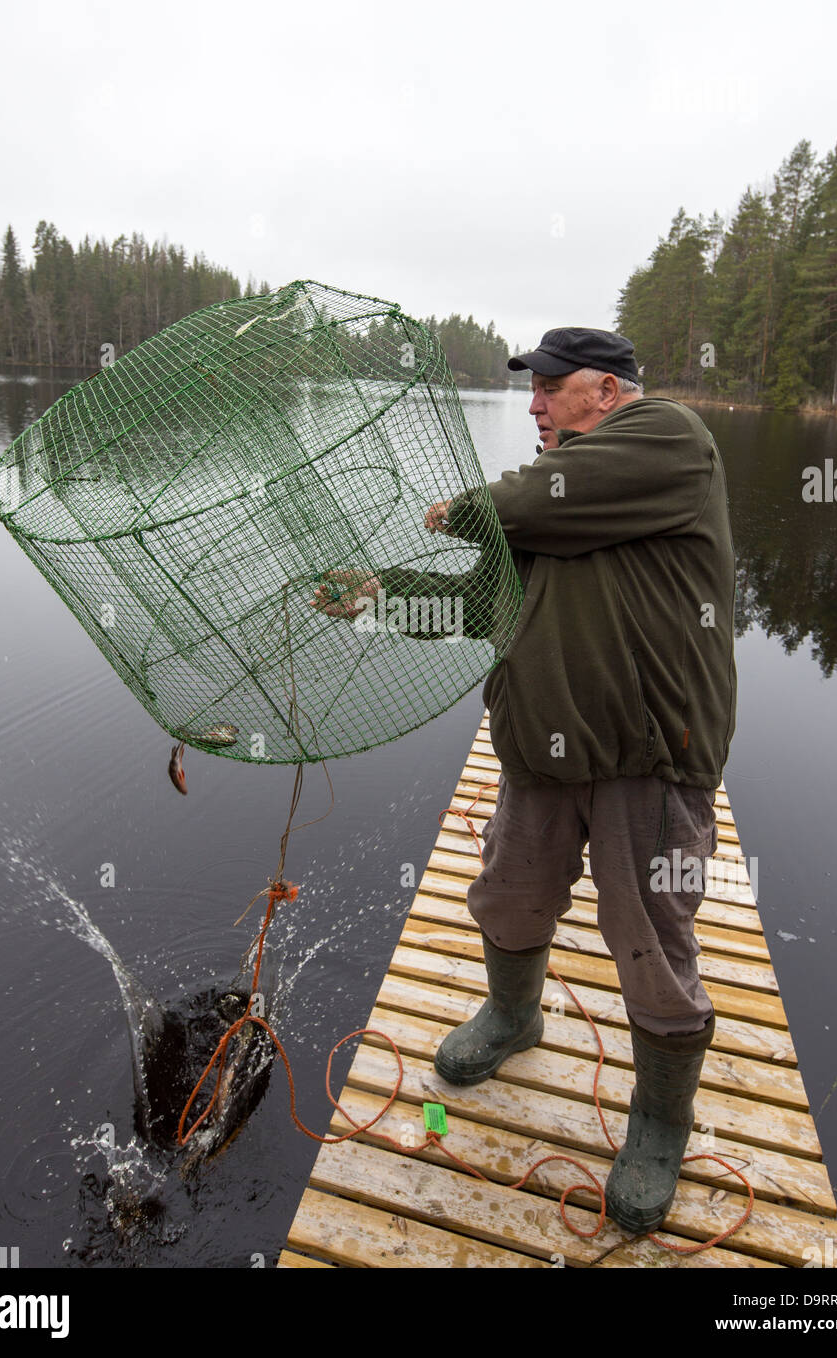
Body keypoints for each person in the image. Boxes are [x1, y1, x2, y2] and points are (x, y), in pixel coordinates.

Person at [310, 327, 737, 1235]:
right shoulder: (548, 504)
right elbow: (477, 602)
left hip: (649, 762)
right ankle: (514, 1018)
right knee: (508, 898)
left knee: (650, 943)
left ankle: (660, 1122)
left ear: (611, 392)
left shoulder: (669, 441)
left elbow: (519, 503)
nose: (533, 405)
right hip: (540, 756)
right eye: (531, 390)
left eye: (551, 388)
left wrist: (460, 507)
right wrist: (377, 591)